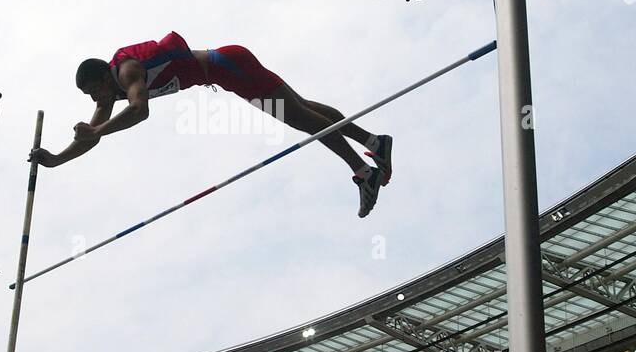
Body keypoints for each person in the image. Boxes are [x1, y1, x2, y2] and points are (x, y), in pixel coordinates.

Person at [30, 31, 393, 217]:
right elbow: (92, 139)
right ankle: (374, 143)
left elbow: (140, 111)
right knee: (303, 108)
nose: (98, 102)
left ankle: (363, 170)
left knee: (299, 117)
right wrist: (56, 159)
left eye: (95, 92)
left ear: (105, 77)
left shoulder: (127, 72)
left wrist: (97, 130)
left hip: (228, 66)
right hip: (230, 65)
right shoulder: (111, 91)